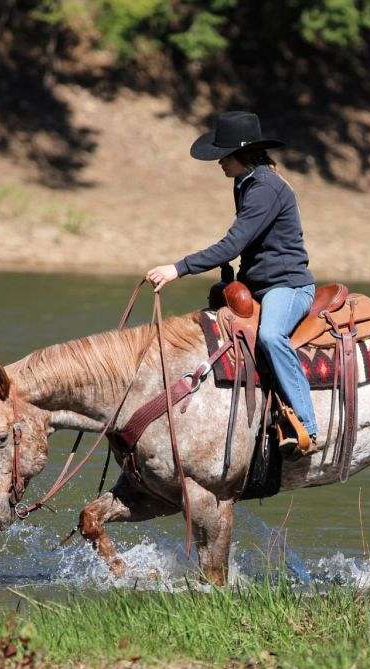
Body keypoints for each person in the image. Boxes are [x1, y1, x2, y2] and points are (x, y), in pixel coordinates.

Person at [146, 111, 319, 456]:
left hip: (287, 286)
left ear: (242, 154)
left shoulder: (265, 187)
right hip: (258, 284)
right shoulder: (246, 182)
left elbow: (233, 244)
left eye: (223, 155)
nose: (219, 163)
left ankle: (308, 427)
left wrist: (177, 269)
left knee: (271, 336)